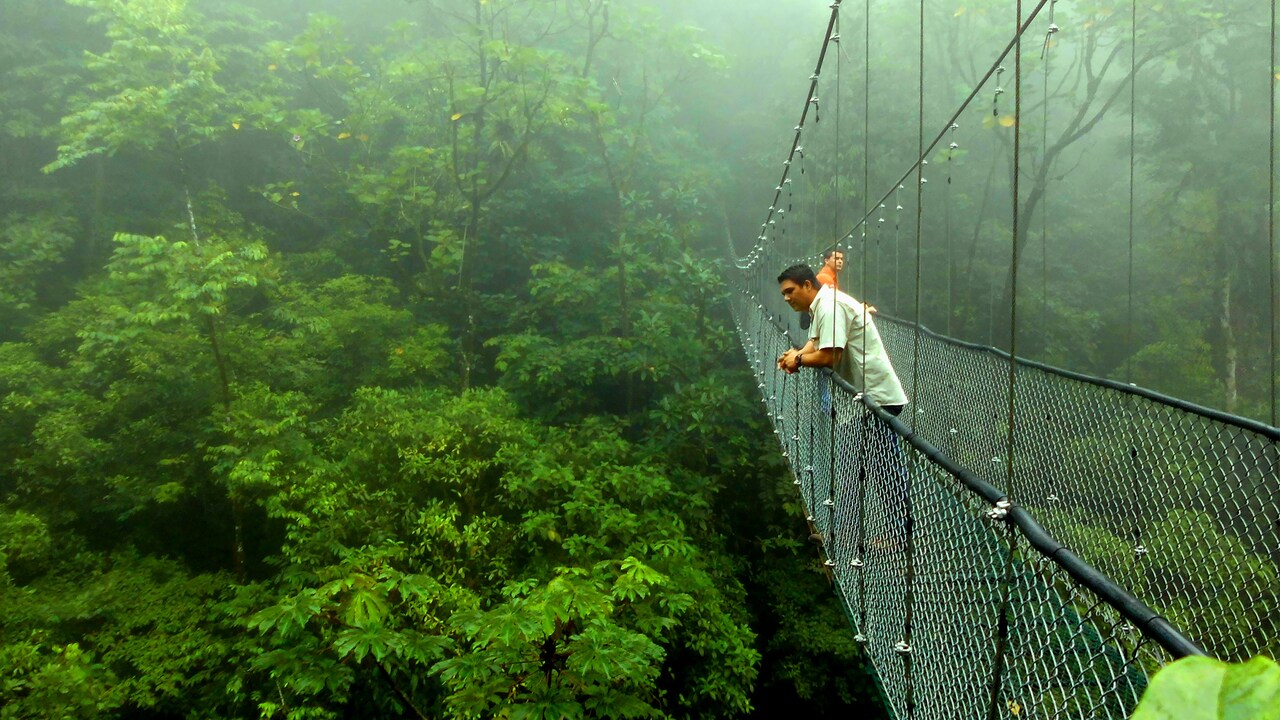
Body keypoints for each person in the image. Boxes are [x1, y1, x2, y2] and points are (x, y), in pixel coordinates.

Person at [774, 263, 908, 549]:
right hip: (863, 402)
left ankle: (897, 536)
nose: (786, 298)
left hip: (875, 400)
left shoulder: (830, 305)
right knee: (856, 470)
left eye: (790, 291)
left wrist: (797, 360)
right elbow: (815, 343)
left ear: (808, 285)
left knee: (882, 471)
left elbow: (829, 355)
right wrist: (797, 354)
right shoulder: (823, 305)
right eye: (783, 293)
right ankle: (849, 532)